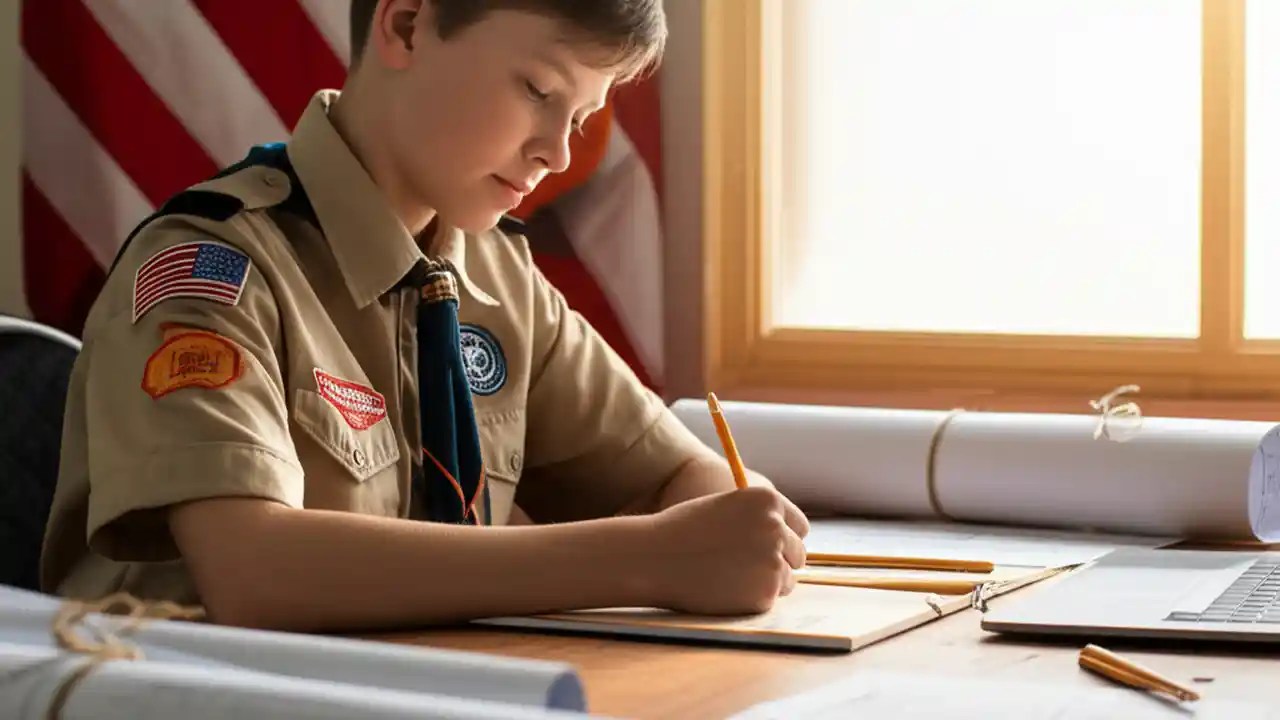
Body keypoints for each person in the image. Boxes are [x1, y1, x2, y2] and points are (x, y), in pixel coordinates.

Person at [39, 0, 809, 632]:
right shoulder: (210, 272)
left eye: (580, 118)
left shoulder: (498, 276)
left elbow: (678, 475)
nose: (558, 154)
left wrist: (725, 536)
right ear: (407, 25)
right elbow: (253, 570)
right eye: (540, 91)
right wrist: (647, 558)